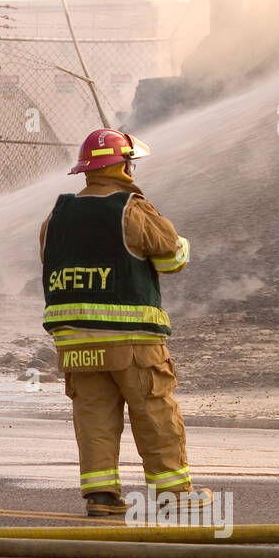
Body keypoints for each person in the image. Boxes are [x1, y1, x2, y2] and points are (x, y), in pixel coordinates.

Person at [39, 129, 208, 517]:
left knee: (94, 414)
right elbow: (171, 260)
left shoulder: (57, 215)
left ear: (87, 170)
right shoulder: (132, 209)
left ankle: (101, 496)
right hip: (131, 341)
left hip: (75, 342)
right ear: (123, 165)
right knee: (154, 411)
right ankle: (174, 495)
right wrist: (180, 241)